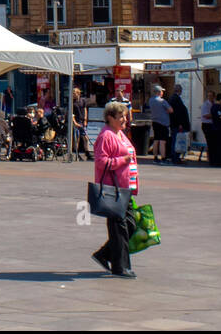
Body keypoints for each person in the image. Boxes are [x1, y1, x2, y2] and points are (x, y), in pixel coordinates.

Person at [91, 100, 139, 278]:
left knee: (130, 225)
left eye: (125, 116)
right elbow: (101, 162)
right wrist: (122, 161)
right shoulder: (106, 136)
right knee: (120, 228)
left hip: (125, 188)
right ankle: (121, 267)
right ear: (110, 118)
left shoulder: (119, 133)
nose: (125, 120)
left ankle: (103, 254)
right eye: (121, 117)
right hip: (114, 189)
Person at [147, 86, 173, 164]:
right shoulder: (162, 101)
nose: (163, 93)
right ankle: (163, 158)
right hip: (163, 123)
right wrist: (166, 111)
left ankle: (155, 157)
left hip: (155, 122)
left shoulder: (151, 100)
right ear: (159, 92)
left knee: (156, 140)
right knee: (162, 141)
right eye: (162, 91)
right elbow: (171, 110)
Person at [168, 84, 191, 164]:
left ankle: (175, 157)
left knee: (175, 140)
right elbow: (178, 113)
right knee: (176, 140)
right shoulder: (175, 99)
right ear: (180, 90)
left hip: (175, 124)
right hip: (177, 124)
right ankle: (175, 157)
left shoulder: (172, 98)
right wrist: (180, 123)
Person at [72, 87, 90, 159]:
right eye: (72, 93)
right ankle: (77, 153)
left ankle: (87, 153)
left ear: (78, 93)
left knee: (85, 137)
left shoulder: (83, 101)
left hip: (82, 120)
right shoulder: (72, 103)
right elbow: (71, 113)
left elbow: (85, 109)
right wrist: (75, 122)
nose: (73, 94)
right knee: (77, 137)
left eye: (74, 93)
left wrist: (85, 119)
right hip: (76, 120)